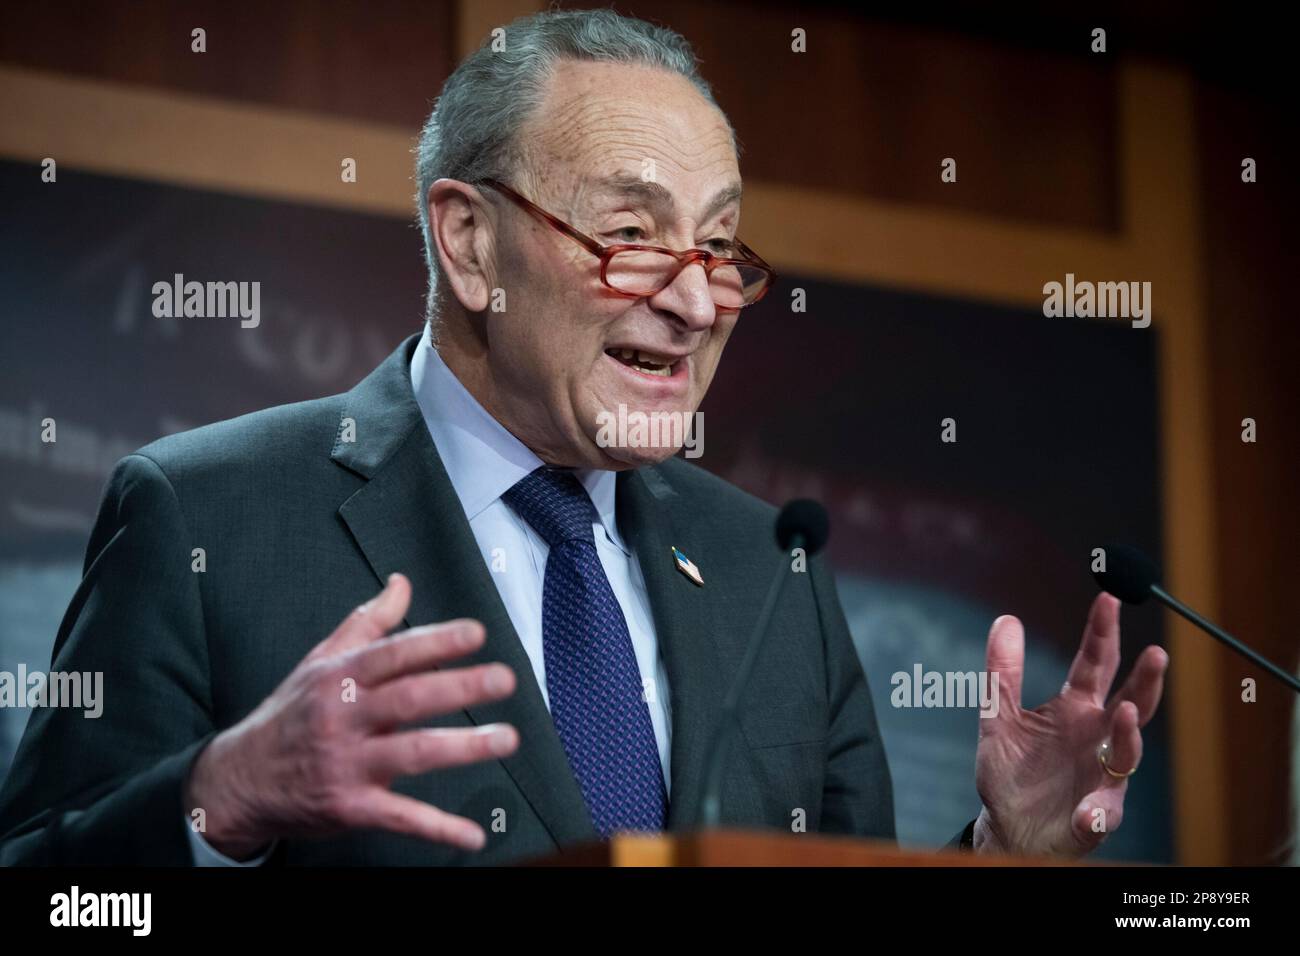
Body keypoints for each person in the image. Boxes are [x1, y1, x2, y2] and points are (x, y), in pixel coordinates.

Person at [0, 8, 1167, 866]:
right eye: (630, 233)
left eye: (717, 246)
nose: (697, 300)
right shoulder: (207, 513)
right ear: (468, 245)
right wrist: (220, 799)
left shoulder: (773, 568)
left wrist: (1002, 854)